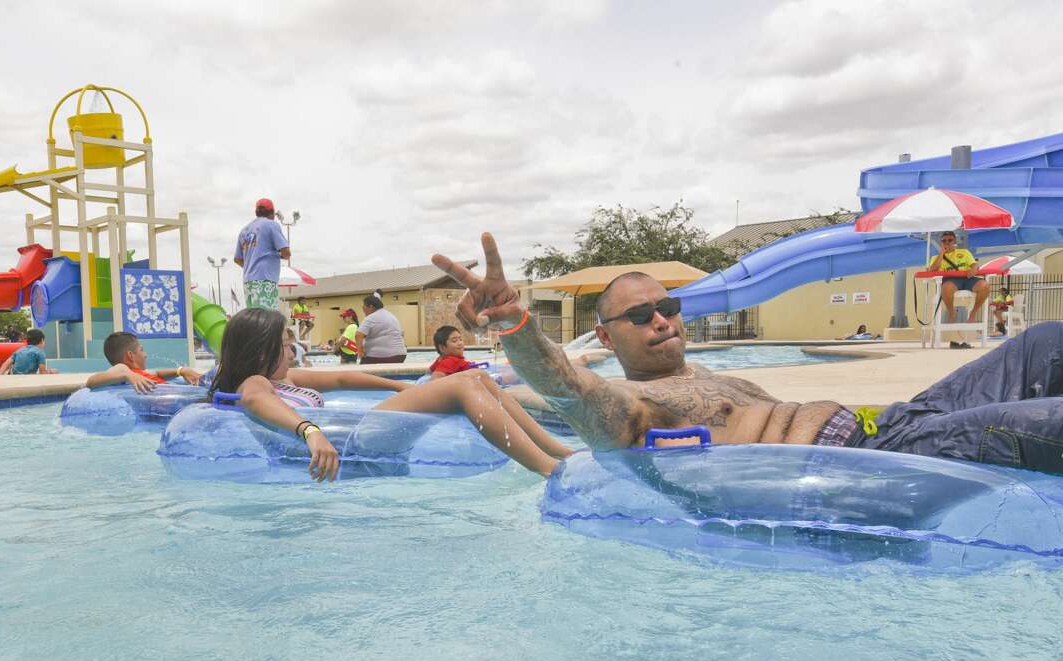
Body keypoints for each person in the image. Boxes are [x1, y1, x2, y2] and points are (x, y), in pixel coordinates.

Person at [431, 232, 1063, 474]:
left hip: (896, 421)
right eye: (641, 316)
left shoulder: (704, 373)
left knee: (1042, 343)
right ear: (606, 337)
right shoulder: (631, 405)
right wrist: (515, 323)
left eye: (668, 306)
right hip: (877, 457)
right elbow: (567, 389)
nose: (662, 320)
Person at [210, 308, 573, 480]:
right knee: (464, 385)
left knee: (478, 378)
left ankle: (558, 450)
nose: (292, 351)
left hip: (359, 437)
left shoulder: (285, 378)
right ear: (260, 350)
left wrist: (400, 386)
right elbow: (255, 402)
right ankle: (548, 469)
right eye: (285, 344)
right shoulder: (254, 383)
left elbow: (343, 380)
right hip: (354, 443)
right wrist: (310, 431)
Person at [928, 230, 989, 349]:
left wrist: (974, 268)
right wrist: (942, 253)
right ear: (941, 242)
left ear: (955, 241)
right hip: (950, 280)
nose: (947, 242)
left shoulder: (964, 252)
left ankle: (973, 313)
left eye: (950, 240)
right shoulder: (936, 257)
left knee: (985, 285)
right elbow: (932, 269)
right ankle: (951, 312)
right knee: (946, 287)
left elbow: (974, 264)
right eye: (944, 241)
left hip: (967, 279)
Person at [85, 331, 203, 393]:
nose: (145, 355)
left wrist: (181, 370)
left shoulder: (139, 373)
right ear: (130, 356)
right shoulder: (123, 369)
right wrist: (128, 375)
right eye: (142, 350)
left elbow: (158, 373)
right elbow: (91, 381)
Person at [234, 198, 291, 310]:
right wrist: (279, 255)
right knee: (267, 317)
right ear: (272, 212)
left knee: (254, 317)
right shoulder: (271, 225)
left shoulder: (244, 230)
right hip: (265, 280)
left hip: (248, 282)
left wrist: (252, 264)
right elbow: (286, 253)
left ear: (257, 212)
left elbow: (237, 259)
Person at [357, 294, 407, 364]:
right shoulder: (391, 316)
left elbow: (358, 335)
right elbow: (401, 334)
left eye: (363, 306)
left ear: (370, 307)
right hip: (400, 355)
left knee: (363, 368)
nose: (362, 309)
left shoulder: (371, 317)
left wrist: (360, 351)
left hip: (380, 356)